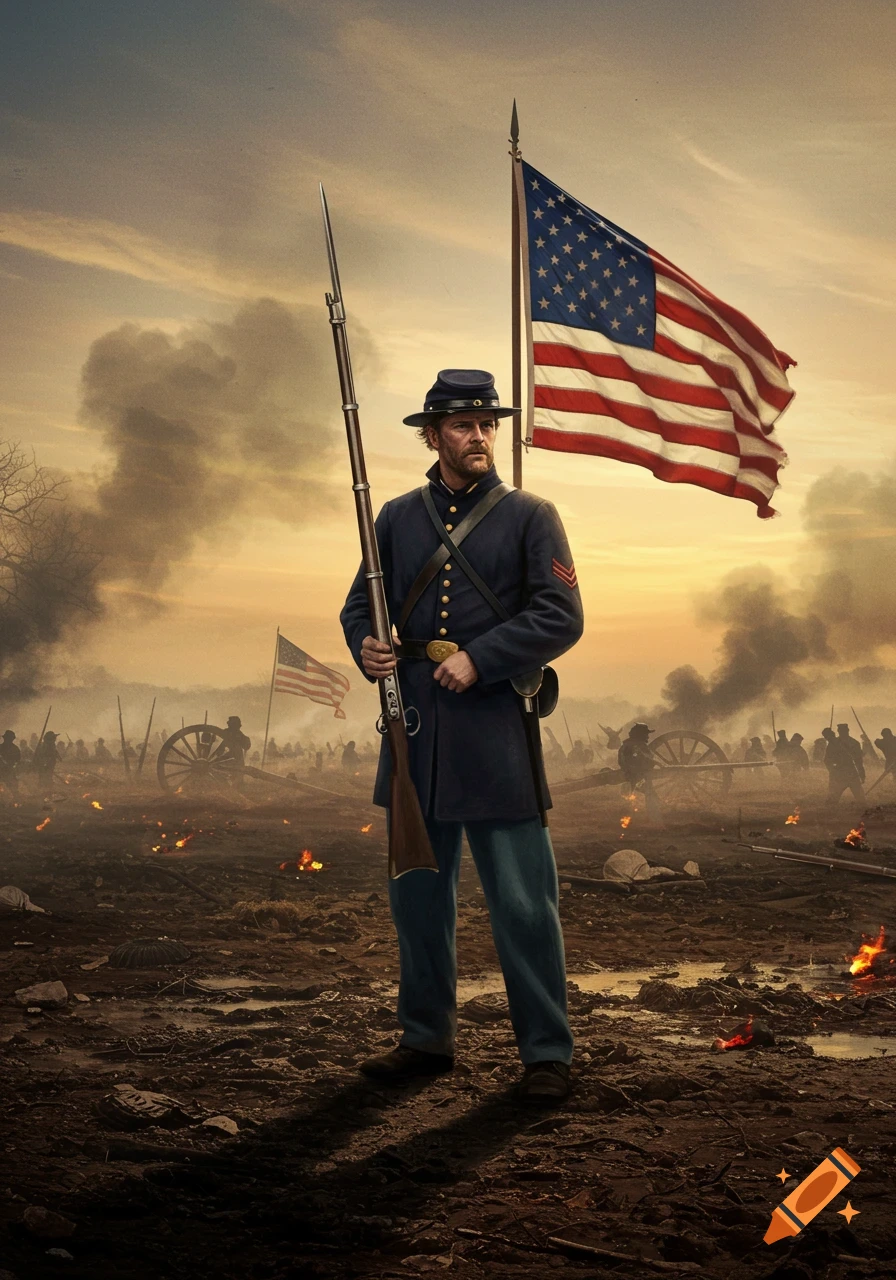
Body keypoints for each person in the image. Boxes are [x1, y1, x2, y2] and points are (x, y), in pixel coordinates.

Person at [341, 368, 584, 1104]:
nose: (479, 437)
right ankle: (425, 1038)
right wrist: (368, 649)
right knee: (417, 897)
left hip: (493, 736)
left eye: (487, 425)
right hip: (415, 730)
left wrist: (483, 658)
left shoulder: (531, 515)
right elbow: (360, 606)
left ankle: (546, 1051)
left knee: (521, 901)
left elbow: (560, 617)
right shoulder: (394, 516)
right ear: (433, 435)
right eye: (462, 425)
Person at [618, 723, 662, 821]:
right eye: (646, 734)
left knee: (637, 795)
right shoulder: (637, 745)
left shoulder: (627, 744)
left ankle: (632, 816)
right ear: (640, 735)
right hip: (637, 774)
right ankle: (654, 818)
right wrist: (656, 763)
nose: (647, 736)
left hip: (631, 772)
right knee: (650, 794)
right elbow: (642, 757)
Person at [824, 723, 865, 804]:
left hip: (841, 773)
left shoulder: (833, 743)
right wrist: (862, 774)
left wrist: (832, 770)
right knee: (860, 799)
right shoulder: (854, 743)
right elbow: (858, 761)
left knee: (833, 799)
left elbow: (827, 760)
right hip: (850, 773)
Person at [0, 730, 21, 796]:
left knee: (13, 790)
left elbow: (17, 761)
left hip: (10, 772)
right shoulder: (1, 747)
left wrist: (12, 766)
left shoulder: (15, 749)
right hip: (2, 772)